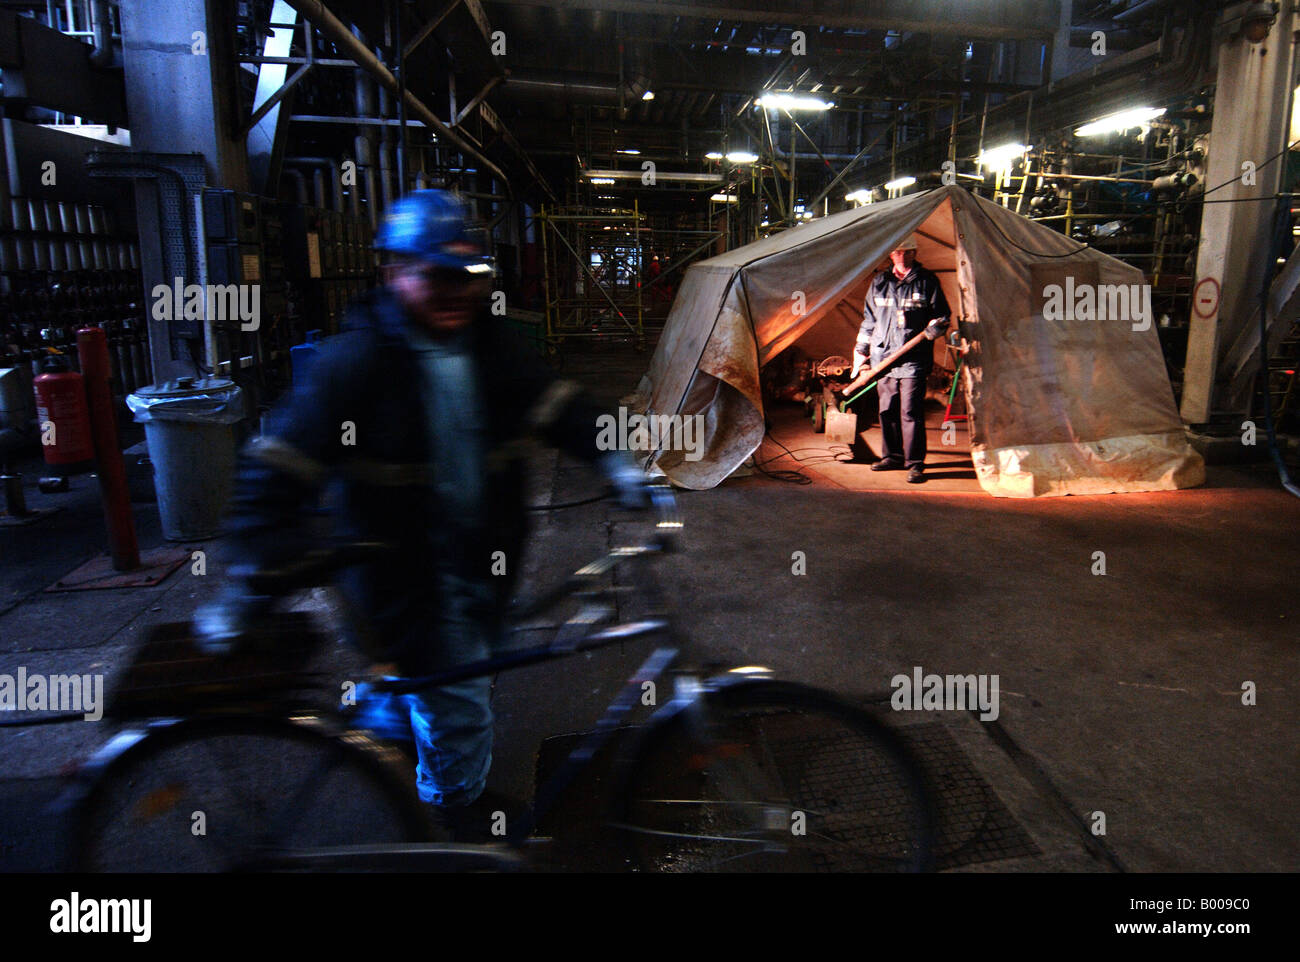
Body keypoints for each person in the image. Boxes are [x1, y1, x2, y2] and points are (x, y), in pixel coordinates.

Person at [193, 189, 649, 834]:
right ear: (394, 274)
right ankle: (456, 815)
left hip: (482, 563)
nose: (455, 292)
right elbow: (278, 471)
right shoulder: (354, 365)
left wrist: (619, 458)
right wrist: (249, 578)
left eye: (469, 276)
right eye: (436, 275)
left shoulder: (490, 348)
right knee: (460, 703)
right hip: (401, 579)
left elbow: (558, 403)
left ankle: (392, 720)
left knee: (455, 680)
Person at [850, 234, 950, 483]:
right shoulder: (880, 282)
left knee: (910, 411)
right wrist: (861, 351)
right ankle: (892, 456)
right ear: (890, 255)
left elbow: (942, 315)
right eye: (897, 252)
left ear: (915, 254)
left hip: (913, 357)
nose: (902, 257)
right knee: (887, 409)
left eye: (907, 252)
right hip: (883, 356)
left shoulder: (927, 282)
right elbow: (869, 320)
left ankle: (915, 463)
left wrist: (935, 328)